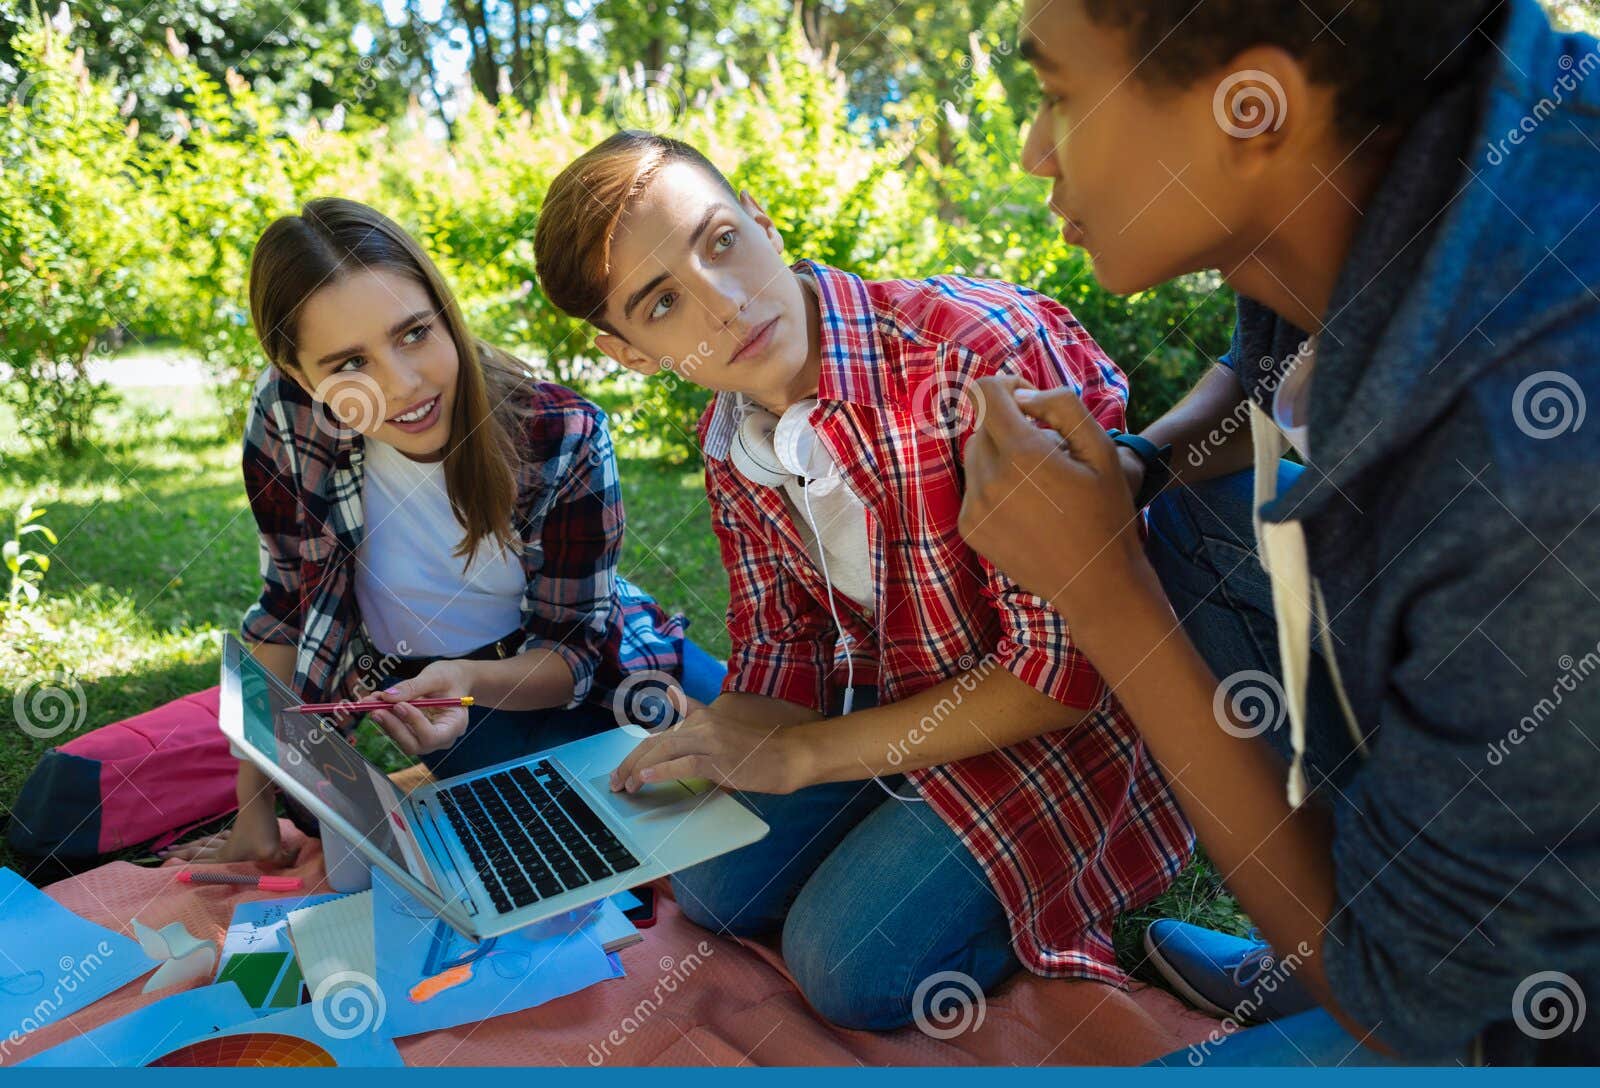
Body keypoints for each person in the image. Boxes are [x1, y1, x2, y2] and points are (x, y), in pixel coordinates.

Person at [958, 0, 1600, 1063]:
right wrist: (1140, 464)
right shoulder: (1417, 136)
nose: (1034, 153)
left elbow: (1427, 1019)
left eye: (1057, 93)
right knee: (1194, 519)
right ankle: (1336, 925)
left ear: (1250, 108)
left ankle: (1347, 940)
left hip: (1530, 1033)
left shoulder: (1525, 464)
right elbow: (1271, 347)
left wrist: (1102, 590)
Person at [529, 131, 1194, 1030]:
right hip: (908, 715)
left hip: (1071, 731)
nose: (723, 305)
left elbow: (1064, 674)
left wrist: (800, 755)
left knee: (847, 965)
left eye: (720, 241)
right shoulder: (732, 440)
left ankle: (1062, 883)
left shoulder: (969, 360)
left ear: (760, 220)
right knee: (711, 884)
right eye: (661, 303)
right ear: (629, 353)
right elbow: (783, 642)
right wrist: (721, 735)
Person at [169, 198, 696, 866]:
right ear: (299, 375)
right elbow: (283, 613)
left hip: (591, 655)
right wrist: (255, 816)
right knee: (589, 839)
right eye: (348, 364)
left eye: (414, 333)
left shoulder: (561, 433)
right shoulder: (288, 420)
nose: (403, 384)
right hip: (455, 700)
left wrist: (468, 675)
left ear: (446, 313)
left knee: (748, 755)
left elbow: (576, 653)